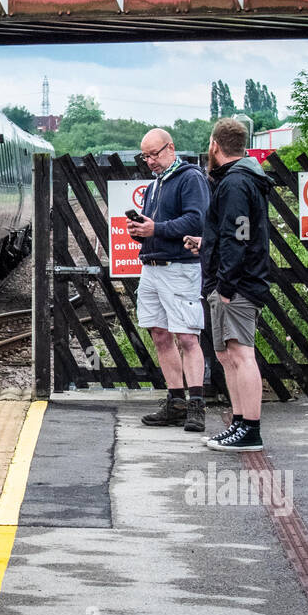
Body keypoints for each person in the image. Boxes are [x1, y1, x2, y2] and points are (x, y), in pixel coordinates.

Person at [183, 118, 272, 452]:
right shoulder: (241, 179)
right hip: (231, 279)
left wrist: (226, 285)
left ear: (214, 146)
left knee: (241, 353)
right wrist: (204, 243)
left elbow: (238, 234)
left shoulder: (235, 183)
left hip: (236, 285)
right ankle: (238, 423)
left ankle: (250, 429)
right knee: (225, 354)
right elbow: (232, 232)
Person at [126, 128, 210, 432]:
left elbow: (197, 219)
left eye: (154, 154)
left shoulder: (190, 178)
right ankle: (176, 402)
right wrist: (141, 231)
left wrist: (156, 229)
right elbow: (157, 226)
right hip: (152, 267)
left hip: (180, 267)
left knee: (187, 336)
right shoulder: (154, 186)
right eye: (145, 156)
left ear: (170, 148)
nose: (149, 161)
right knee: (159, 334)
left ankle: (197, 404)